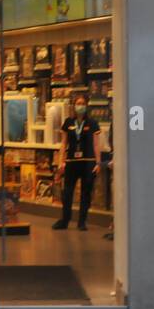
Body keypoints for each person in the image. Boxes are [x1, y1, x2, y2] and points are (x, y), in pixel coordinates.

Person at [52, 93, 102, 232]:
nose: (80, 106)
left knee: (86, 193)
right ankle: (64, 220)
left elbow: (97, 145)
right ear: (74, 106)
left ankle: (82, 222)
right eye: (78, 103)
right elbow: (63, 144)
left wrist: (98, 163)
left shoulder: (93, 123)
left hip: (88, 162)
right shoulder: (68, 122)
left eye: (82, 104)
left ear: (86, 105)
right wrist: (60, 162)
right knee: (67, 192)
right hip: (71, 162)